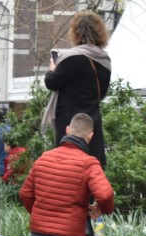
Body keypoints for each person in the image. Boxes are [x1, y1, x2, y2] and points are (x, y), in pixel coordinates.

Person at [19, 112, 114, 236]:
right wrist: (103, 209)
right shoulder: (89, 163)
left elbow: (25, 194)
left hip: (38, 234)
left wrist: (40, 215)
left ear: (67, 130)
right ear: (90, 136)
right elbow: (105, 195)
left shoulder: (44, 158)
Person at [43, 11, 111, 167]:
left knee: (68, 167)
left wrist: (52, 69)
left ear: (75, 32)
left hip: (70, 123)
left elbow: (51, 83)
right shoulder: (104, 61)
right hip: (92, 122)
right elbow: (103, 93)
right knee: (91, 166)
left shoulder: (71, 58)